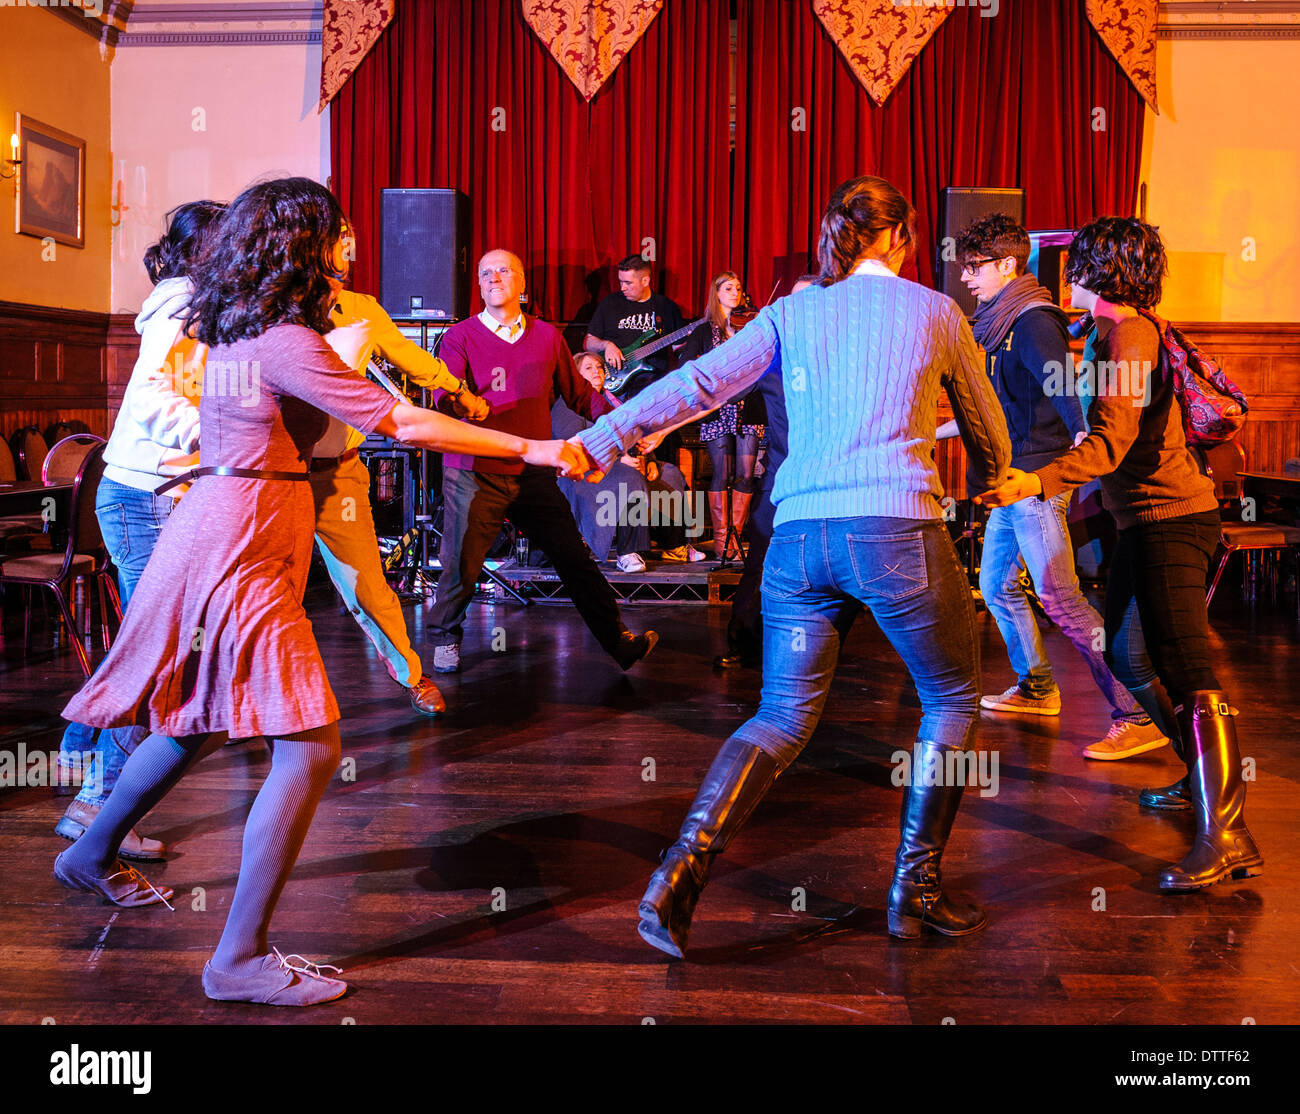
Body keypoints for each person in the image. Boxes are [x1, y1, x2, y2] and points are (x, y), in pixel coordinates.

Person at [51, 177, 581, 1007]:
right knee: (311, 746)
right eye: (338, 236)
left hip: (228, 521)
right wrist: (539, 451)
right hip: (244, 538)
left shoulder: (241, 325)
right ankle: (236, 960)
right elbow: (400, 422)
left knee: (194, 717)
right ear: (306, 247)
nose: (348, 250)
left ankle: (90, 852)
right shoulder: (286, 339)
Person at [571, 176, 1012, 956]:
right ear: (904, 238)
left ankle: (679, 873)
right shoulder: (938, 312)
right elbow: (991, 439)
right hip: (897, 531)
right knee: (950, 700)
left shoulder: (793, 311)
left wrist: (603, 440)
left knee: (780, 717)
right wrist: (990, 477)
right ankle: (915, 891)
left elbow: (699, 384)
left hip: (798, 538)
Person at [976, 216, 1262, 892]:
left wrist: (1039, 481)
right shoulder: (1107, 333)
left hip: (1174, 521)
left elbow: (1108, 442)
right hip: (1140, 522)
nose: (1064, 275)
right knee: (1131, 656)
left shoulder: (1131, 336)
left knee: (1187, 665)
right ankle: (1197, 781)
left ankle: (1228, 832)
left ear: (1097, 271)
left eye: (1075, 264)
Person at [948, 214, 1166, 760]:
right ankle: (1037, 687)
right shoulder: (1003, 322)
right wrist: (938, 427)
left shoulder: (1034, 321)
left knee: (1060, 598)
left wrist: (1078, 451)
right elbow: (1001, 405)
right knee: (997, 586)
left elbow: (1065, 391)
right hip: (1015, 478)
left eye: (974, 268)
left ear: (1006, 265)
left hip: (1039, 479)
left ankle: (1136, 711)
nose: (967, 278)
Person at [54, 200, 225, 862]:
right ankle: (94, 803)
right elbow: (157, 403)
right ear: (203, 251)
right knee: (159, 659)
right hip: (146, 500)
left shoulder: (192, 302)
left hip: (151, 497)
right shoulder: (183, 304)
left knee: (149, 652)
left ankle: (83, 754)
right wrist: (224, 442)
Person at [426, 250, 657, 675]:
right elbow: (445, 394)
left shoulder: (547, 336)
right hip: (475, 470)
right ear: (479, 286)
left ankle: (618, 642)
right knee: (461, 562)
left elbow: (581, 395)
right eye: (485, 273)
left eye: (503, 270)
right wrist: (460, 400)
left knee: (575, 559)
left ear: (521, 285)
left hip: (532, 470)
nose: (494, 277)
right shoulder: (460, 336)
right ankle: (445, 638)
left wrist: (624, 425)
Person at [312, 275, 491, 715]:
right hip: (274, 472)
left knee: (367, 585)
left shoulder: (361, 309)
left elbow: (412, 359)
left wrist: (458, 389)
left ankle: (411, 675)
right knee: (258, 592)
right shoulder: (272, 305)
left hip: (337, 471)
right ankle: (235, 700)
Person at [713, 273, 811, 669]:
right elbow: (721, 389)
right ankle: (743, 641)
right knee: (760, 558)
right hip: (782, 479)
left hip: (829, 481)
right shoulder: (772, 360)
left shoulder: (845, 358)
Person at [551, 351, 706, 571]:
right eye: (588, 368)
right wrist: (617, 458)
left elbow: (634, 434)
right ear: (575, 375)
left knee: (670, 473)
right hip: (584, 469)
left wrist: (649, 461)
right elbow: (573, 442)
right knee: (629, 479)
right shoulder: (567, 404)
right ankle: (628, 552)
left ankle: (675, 545)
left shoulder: (614, 401)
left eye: (599, 367)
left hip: (625, 461)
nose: (596, 371)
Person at [679, 271, 767, 560]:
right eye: (728, 288)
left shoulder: (751, 328)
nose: (735, 293)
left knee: (745, 474)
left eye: (738, 288)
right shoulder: (705, 332)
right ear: (716, 294)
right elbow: (687, 364)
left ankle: (736, 540)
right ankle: (720, 542)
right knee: (723, 472)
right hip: (718, 409)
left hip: (749, 406)